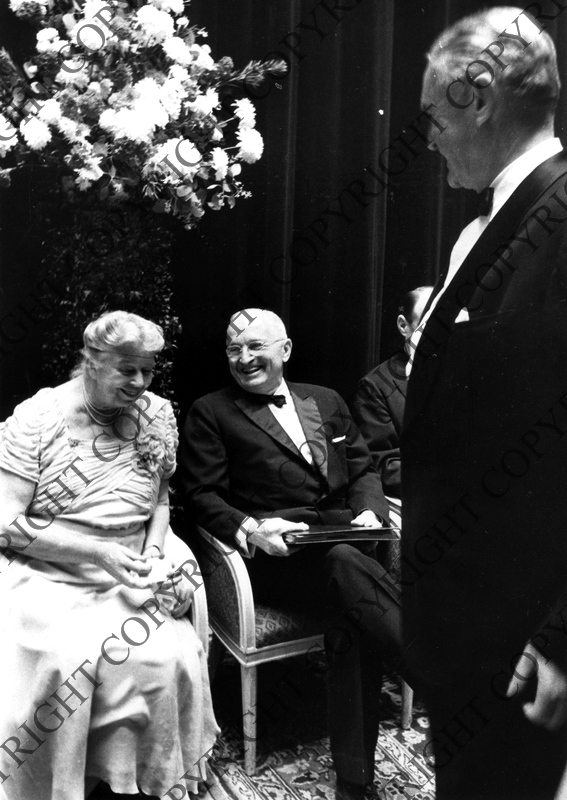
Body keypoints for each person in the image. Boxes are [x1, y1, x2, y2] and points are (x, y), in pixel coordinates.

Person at [401, 8, 567, 799]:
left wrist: (560, 638)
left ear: (478, 99)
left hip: (515, 645)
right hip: (464, 632)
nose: (427, 136)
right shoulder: (492, 220)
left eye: (432, 114)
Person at [178, 308, 397, 800]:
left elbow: (363, 468)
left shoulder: (327, 399)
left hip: (349, 542)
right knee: (348, 576)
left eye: (256, 345)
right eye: (234, 349)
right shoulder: (210, 411)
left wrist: (368, 510)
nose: (244, 357)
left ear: (286, 350)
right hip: (282, 559)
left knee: (352, 606)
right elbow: (201, 495)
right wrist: (252, 528)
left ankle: (355, 784)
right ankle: (433, 665)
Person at [0, 311, 219, 800]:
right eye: (127, 370)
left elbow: (158, 501)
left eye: (148, 370)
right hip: (47, 569)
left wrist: (158, 560)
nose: (141, 383)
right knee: (66, 659)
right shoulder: (38, 418)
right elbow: (6, 526)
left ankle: (133, 784)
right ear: (91, 363)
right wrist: (96, 552)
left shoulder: (156, 414)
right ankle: (63, 786)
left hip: (128, 568)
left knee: (162, 657)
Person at [351, 286, 432, 498]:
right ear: (403, 326)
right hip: (422, 498)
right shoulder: (375, 386)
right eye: (429, 322)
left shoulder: (470, 375)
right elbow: (385, 465)